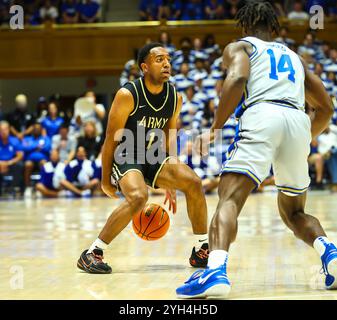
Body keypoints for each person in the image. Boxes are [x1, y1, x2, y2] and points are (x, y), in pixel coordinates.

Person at [176, 1, 337, 299]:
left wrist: (214, 129)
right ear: (275, 28)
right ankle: (330, 255)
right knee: (295, 212)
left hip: (262, 114)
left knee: (230, 199)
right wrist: (304, 137)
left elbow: (237, 79)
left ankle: (215, 270)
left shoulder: (241, 47)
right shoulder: (295, 58)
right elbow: (326, 107)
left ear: (244, 27)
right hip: (297, 120)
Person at [77, 42, 209, 274]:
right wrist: (105, 178)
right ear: (145, 67)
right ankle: (92, 253)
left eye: (168, 59)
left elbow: (170, 134)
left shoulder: (174, 97)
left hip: (154, 155)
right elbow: (110, 138)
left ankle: (201, 250)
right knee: (139, 197)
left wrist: (173, 178)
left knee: (194, 182)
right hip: (126, 153)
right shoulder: (128, 94)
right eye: (159, 59)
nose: (166, 63)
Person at [0, 121, 24, 196]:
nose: (4, 132)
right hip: (0, 163)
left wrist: (9, 163)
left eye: (5, 129)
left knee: (19, 165)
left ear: (9, 130)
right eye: (1, 130)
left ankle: (13, 187)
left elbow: (20, 155)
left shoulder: (14, 140)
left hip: (11, 163)